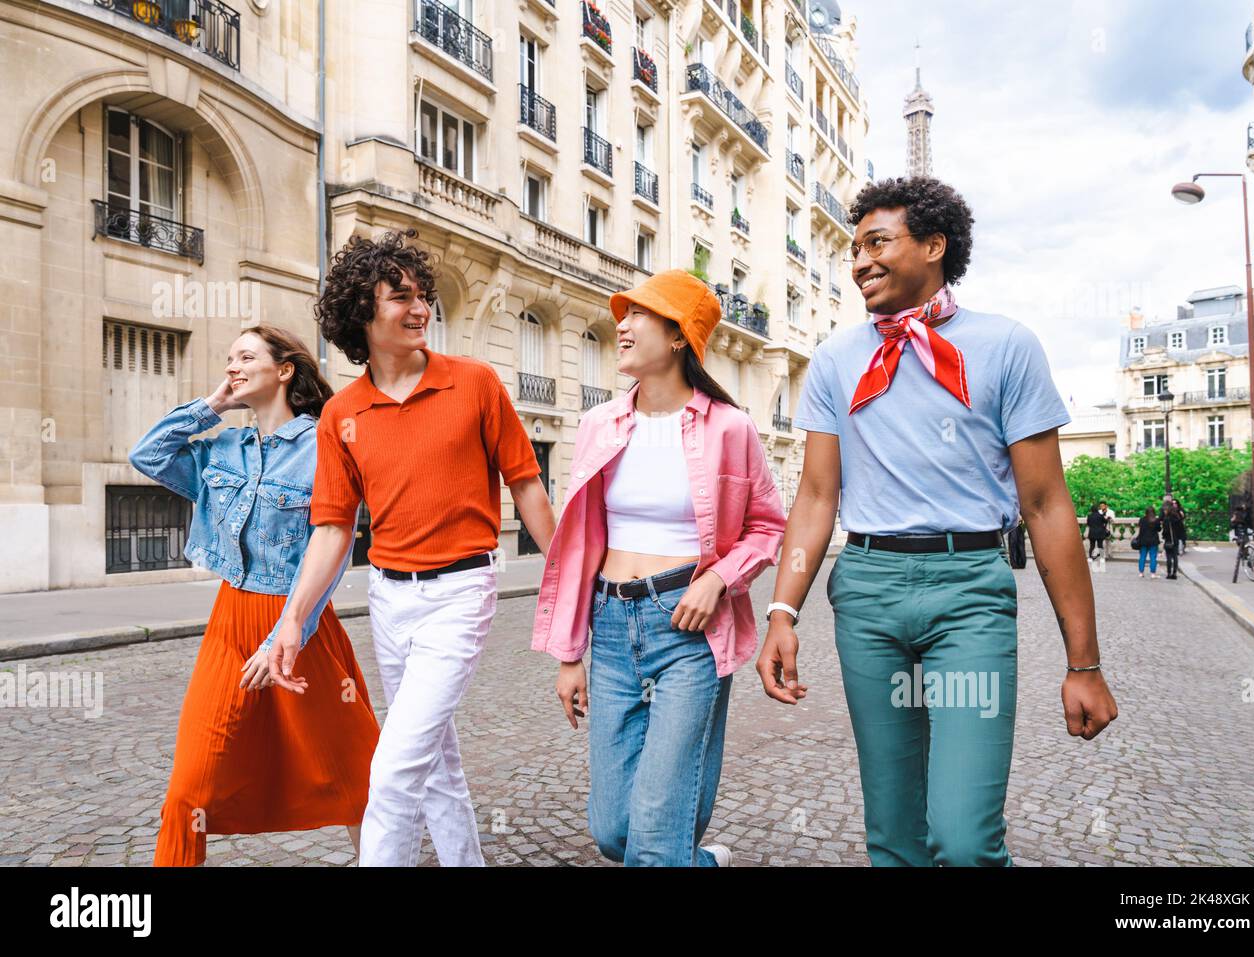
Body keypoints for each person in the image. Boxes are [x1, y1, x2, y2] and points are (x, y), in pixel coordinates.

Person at [754, 176, 1117, 867]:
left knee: (964, 839)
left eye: (877, 242)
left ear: (934, 245)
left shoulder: (1006, 346)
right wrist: (781, 611)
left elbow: (1046, 505)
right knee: (895, 840)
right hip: (867, 595)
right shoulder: (834, 360)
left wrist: (1085, 662)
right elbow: (814, 497)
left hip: (968, 596)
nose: (859, 260)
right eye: (853, 249)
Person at [265, 229, 557, 867]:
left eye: (423, 295)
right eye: (401, 297)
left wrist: (566, 578)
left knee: (395, 769)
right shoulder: (343, 412)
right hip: (388, 599)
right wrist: (293, 619)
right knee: (435, 761)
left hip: (462, 591)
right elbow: (334, 528)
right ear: (362, 314)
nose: (420, 308)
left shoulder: (476, 384)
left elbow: (526, 487)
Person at [533, 270, 786, 867]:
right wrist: (572, 655)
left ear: (679, 338)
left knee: (653, 835)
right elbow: (578, 546)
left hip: (689, 630)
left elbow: (768, 525)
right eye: (622, 315)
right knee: (614, 834)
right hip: (614, 627)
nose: (621, 324)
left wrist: (719, 579)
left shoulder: (730, 427)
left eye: (639, 314)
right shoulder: (600, 425)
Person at [129, 326, 380, 867]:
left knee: (358, 778)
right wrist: (213, 405)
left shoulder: (324, 444)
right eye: (227, 360)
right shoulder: (224, 447)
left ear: (285, 370)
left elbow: (332, 548)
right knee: (188, 790)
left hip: (299, 624)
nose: (232, 367)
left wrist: (288, 630)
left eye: (246, 357)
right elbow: (146, 455)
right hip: (229, 623)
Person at [1135, 506, 1161, 580]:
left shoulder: (1142, 520)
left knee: (1142, 557)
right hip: (1153, 541)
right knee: (1153, 557)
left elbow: (1141, 530)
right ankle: (1153, 573)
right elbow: (1159, 529)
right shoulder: (1156, 520)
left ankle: (1141, 573)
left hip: (1143, 541)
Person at [1160, 503, 1184, 579]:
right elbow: (1181, 529)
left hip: (1169, 540)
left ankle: (1169, 573)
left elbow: (1165, 531)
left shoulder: (1166, 519)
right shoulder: (1177, 518)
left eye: (1165, 510)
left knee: (1169, 557)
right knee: (1175, 557)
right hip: (1176, 539)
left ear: (1168, 510)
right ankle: (1174, 573)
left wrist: (1164, 536)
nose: (1164, 511)